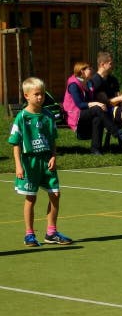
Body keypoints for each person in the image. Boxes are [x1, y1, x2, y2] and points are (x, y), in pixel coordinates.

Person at [9, 77, 72, 247]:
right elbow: (15, 143)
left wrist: (53, 156)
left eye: (42, 94)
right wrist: (18, 165)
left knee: (55, 194)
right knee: (31, 198)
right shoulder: (21, 117)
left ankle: (51, 232)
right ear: (26, 95)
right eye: (36, 94)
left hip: (46, 160)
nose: (40, 98)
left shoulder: (48, 115)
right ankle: (29, 234)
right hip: (30, 163)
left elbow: (52, 140)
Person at [62, 62, 122, 155]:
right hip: (74, 114)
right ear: (82, 71)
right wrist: (96, 103)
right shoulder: (73, 84)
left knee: (98, 118)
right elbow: (80, 104)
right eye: (90, 69)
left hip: (87, 112)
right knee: (97, 109)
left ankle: (96, 149)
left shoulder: (89, 83)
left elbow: (94, 97)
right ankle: (117, 132)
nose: (92, 70)